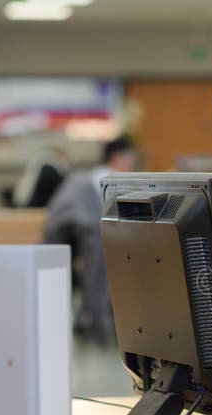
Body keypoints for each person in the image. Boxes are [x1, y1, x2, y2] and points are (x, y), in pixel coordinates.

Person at [44, 135, 138, 344]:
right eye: (129, 157)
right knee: (101, 259)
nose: (132, 162)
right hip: (87, 232)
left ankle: (90, 319)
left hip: (60, 233)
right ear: (118, 157)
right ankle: (98, 323)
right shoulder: (109, 180)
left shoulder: (86, 177)